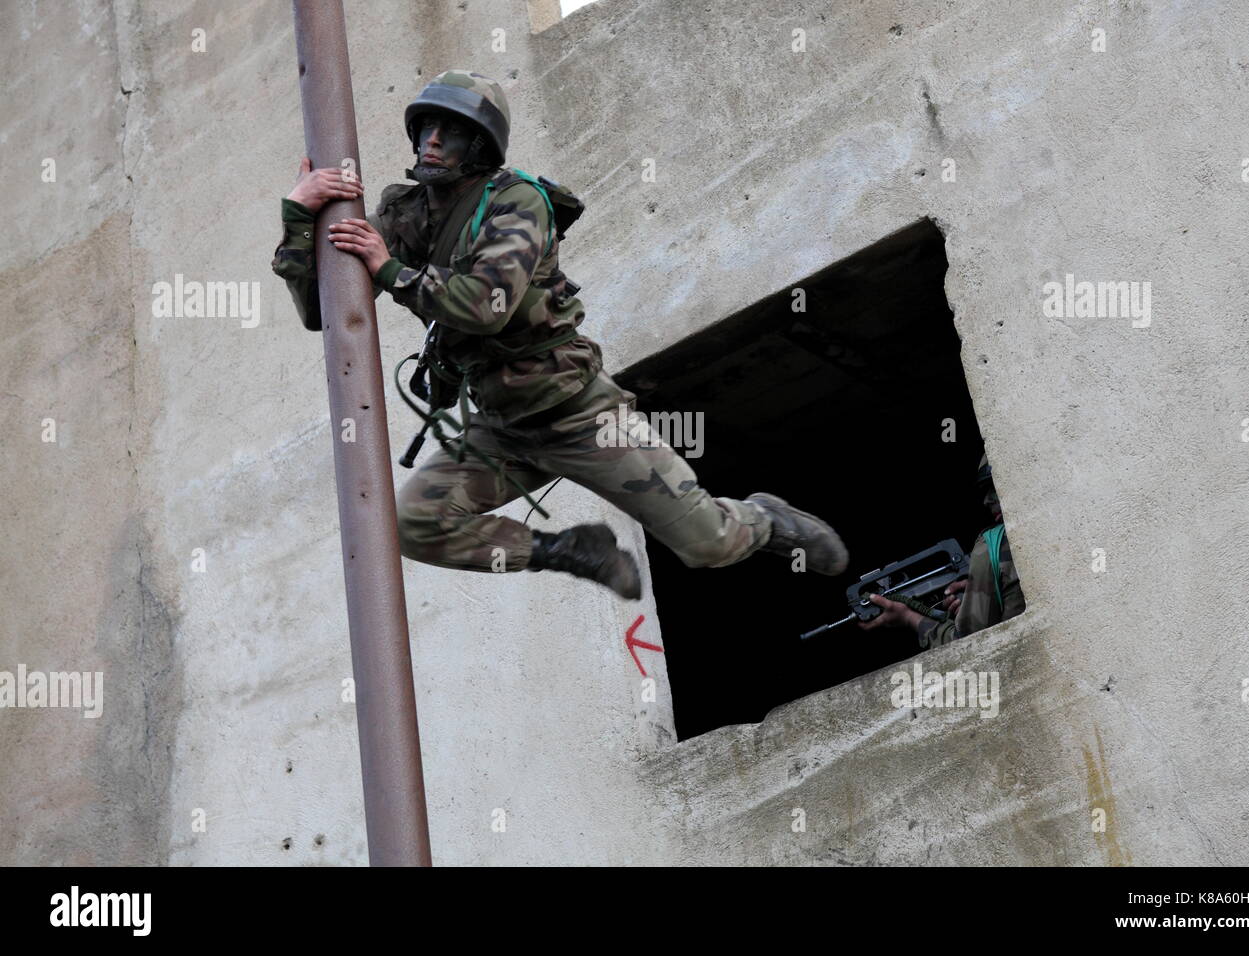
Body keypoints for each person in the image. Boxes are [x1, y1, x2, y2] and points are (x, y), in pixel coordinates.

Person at [271, 70, 849, 600]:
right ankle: (569, 550)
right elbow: (324, 309)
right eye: (426, 126)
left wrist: (392, 270)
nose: (432, 140)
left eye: (451, 130)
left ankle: (767, 520)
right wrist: (299, 217)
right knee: (415, 525)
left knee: (708, 546)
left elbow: (487, 305)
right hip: (500, 428)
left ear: (480, 145)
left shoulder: (517, 202)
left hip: (577, 414)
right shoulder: (407, 214)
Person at [858, 452, 1024, 646]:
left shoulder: (991, 545)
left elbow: (969, 646)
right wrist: (980, 590)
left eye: (993, 486)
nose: (986, 501)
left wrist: (908, 617)